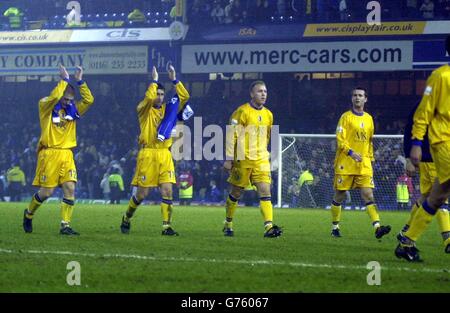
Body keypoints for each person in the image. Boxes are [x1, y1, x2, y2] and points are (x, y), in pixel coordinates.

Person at [395, 36, 450, 261]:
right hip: (444, 142)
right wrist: (416, 144)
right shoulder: (440, 77)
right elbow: (423, 112)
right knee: (438, 196)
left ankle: (406, 242)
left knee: (436, 197)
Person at [22, 65, 94, 235]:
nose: (68, 102)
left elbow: (89, 100)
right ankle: (29, 213)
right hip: (50, 153)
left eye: (70, 100)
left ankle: (65, 225)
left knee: (70, 188)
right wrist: (64, 80)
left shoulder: (73, 110)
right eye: (65, 99)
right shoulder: (45, 106)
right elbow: (54, 96)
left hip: (67, 154)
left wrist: (80, 81)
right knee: (47, 192)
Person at [120, 65, 190, 236]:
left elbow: (184, 96)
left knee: (167, 190)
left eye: (161, 94)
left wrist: (174, 79)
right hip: (148, 153)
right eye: (157, 94)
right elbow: (149, 97)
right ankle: (127, 216)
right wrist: (154, 81)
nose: (159, 97)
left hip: (165, 154)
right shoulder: (144, 109)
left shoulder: (168, 110)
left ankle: (166, 226)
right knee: (142, 194)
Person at [223, 80, 282, 238]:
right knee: (236, 192)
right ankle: (228, 223)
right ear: (251, 94)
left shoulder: (268, 114)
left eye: (265, 91)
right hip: (242, 159)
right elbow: (231, 135)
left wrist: (264, 153)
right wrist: (229, 158)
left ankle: (268, 227)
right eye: (259, 91)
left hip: (261, 159)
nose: (263, 94)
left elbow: (268, 136)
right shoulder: (242, 112)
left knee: (265, 191)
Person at [329, 87, 391, 239]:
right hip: (346, 162)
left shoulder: (369, 118)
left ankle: (377, 227)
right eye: (355, 95)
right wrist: (350, 152)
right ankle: (335, 226)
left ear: (365, 99)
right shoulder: (345, 117)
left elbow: (369, 141)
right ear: (352, 99)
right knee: (340, 195)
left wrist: (370, 159)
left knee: (368, 195)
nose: (357, 98)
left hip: (364, 164)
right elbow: (339, 139)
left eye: (360, 95)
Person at [397, 102, 450, 251]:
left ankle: (405, 232)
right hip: (434, 159)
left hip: (432, 158)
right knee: (440, 197)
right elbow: (410, 131)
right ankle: (448, 239)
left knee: (426, 197)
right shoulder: (428, 104)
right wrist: (408, 158)